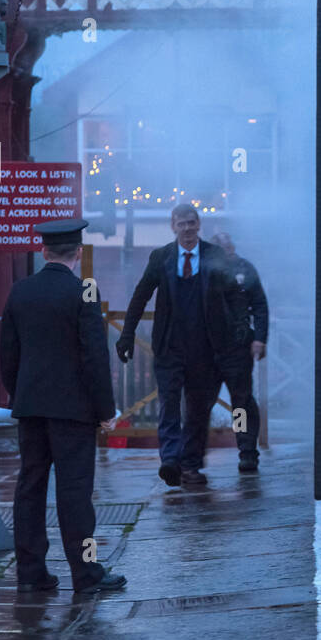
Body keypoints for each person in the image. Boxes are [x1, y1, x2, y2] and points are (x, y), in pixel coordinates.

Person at [0, 218, 126, 596]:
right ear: (79, 253)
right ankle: (85, 575)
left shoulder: (20, 292)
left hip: (31, 409)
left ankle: (31, 572)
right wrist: (106, 410)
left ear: (43, 252)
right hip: (73, 413)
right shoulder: (83, 292)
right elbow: (94, 359)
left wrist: (22, 394)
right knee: (74, 493)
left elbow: (8, 356)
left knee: (30, 488)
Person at [116, 204, 252, 487]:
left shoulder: (214, 256)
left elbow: (235, 294)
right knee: (168, 403)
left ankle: (189, 465)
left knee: (197, 409)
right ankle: (170, 460)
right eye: (182, 224)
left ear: (199, 224)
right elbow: (140, 296)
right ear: (173, 226)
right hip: (169, 346)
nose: (187, 228)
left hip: (205, 348)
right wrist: (127, 334)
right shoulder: (161, 257)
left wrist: (242, 329)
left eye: (192, 223)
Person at [209, 231, 267, 472]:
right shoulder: (203, 269)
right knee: (199, 400)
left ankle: (246, 451)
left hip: (238, 344)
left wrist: (260, 339)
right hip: (208, 344)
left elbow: (260, 305)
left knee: (241, 401)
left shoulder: (245, 269)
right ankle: (190, 455)